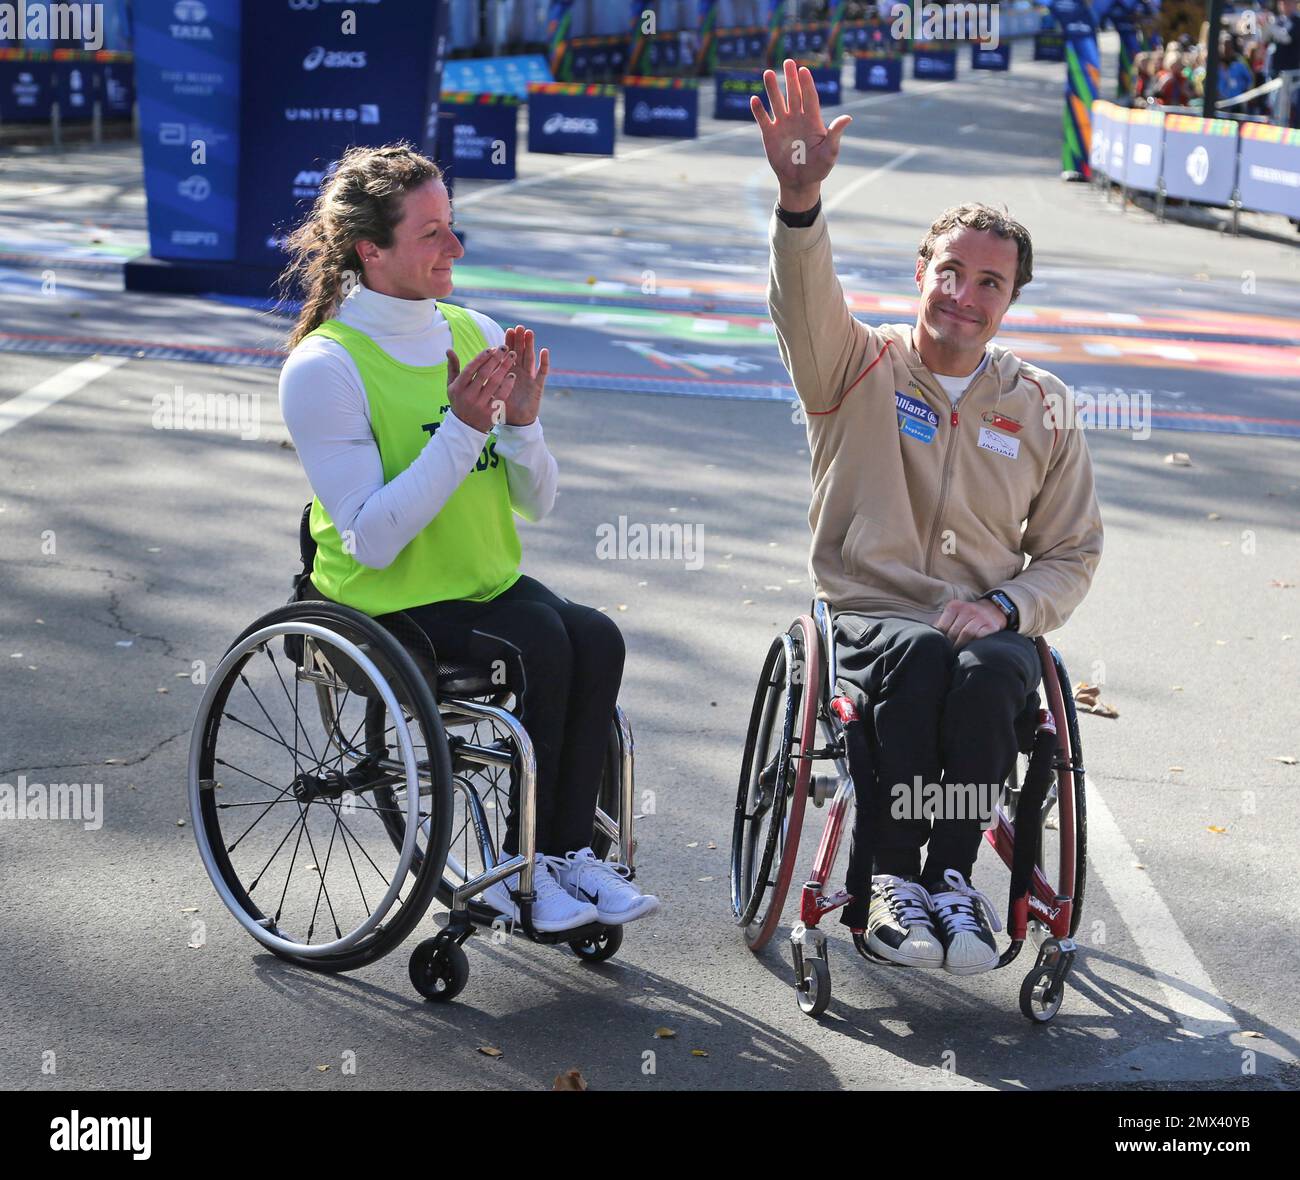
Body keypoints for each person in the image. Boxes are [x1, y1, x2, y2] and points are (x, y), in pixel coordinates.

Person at [751, 62, 1103, 974]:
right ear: (922, 273)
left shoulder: (1042, 402)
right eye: (951, 272)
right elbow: (801, 304)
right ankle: (894, 881)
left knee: (990, 672)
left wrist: (1010, 609)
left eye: (990, 283)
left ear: (1010, 301)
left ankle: (952, 880)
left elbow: (1070, 550)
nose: (965, 294)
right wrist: (800, 201)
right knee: (915, 656)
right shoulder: (853, 367)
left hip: (981, 620)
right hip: (875, 615)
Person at [277, 143, 658, 934]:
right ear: (369, 251)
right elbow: (373, 538)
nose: (454, 249)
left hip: (479, 582)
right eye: (431, 235)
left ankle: (566, 855)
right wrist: (459, 426)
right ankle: (536, 867)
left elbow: (538, 504)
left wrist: (521, 426)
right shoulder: (325, 367)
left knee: (597, 637)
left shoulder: (472, 328)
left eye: (454, 228)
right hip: (386, 598)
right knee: (543, 642)